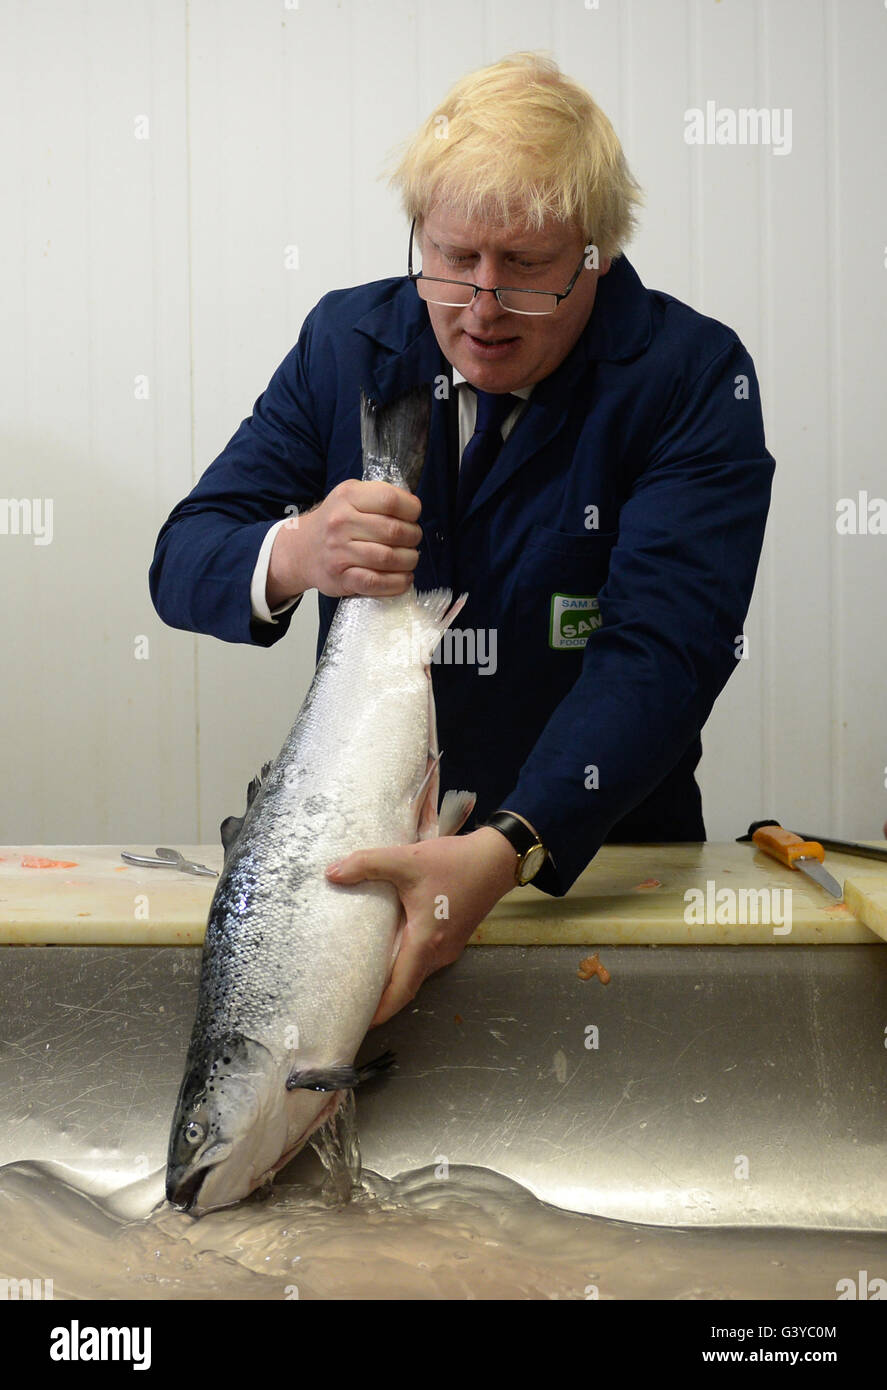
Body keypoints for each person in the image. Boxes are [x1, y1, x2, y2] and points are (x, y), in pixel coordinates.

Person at [150, 52, 774, 1025]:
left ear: (593, 258)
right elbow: (183, 559)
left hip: (594, 866)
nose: (481, 307)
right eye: (451, 258)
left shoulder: (689, 377)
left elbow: (661, 652)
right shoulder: (344, 342)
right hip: (364, 863)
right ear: (419, 235)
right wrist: (296, 551)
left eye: (524, 268)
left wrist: (508, 845)